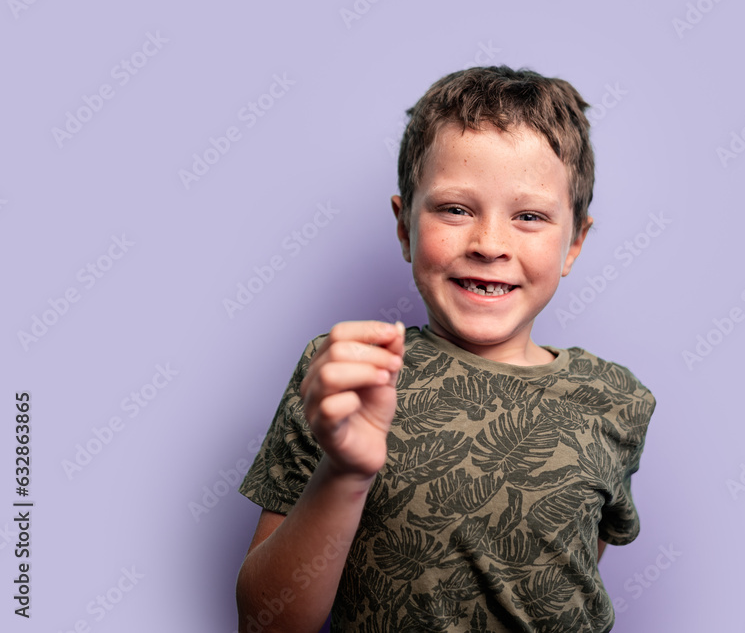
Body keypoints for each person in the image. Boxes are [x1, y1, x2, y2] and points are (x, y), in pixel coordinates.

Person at [235, 65, 657, 633]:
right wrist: (343, 472)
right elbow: (265, 624)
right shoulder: (347, 374)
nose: (489, 244)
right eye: (455, 209)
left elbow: (571, 579)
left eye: (529, 216)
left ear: (574, 243)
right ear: (404, 227)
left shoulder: (616, 398)